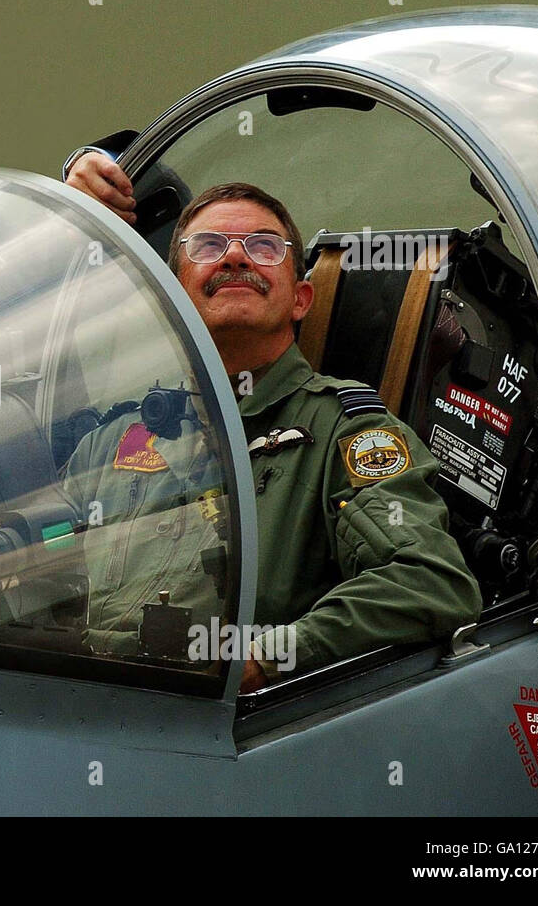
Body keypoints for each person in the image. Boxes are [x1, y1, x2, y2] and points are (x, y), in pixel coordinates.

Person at [61, 175, 481, 692]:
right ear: (171, 297)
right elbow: (10, 562)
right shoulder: (108, 442)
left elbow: (430, 581)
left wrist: (266, 657)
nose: (236, 258)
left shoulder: (345, 435)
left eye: (262, 246)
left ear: (301, 298)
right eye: (209, 245)